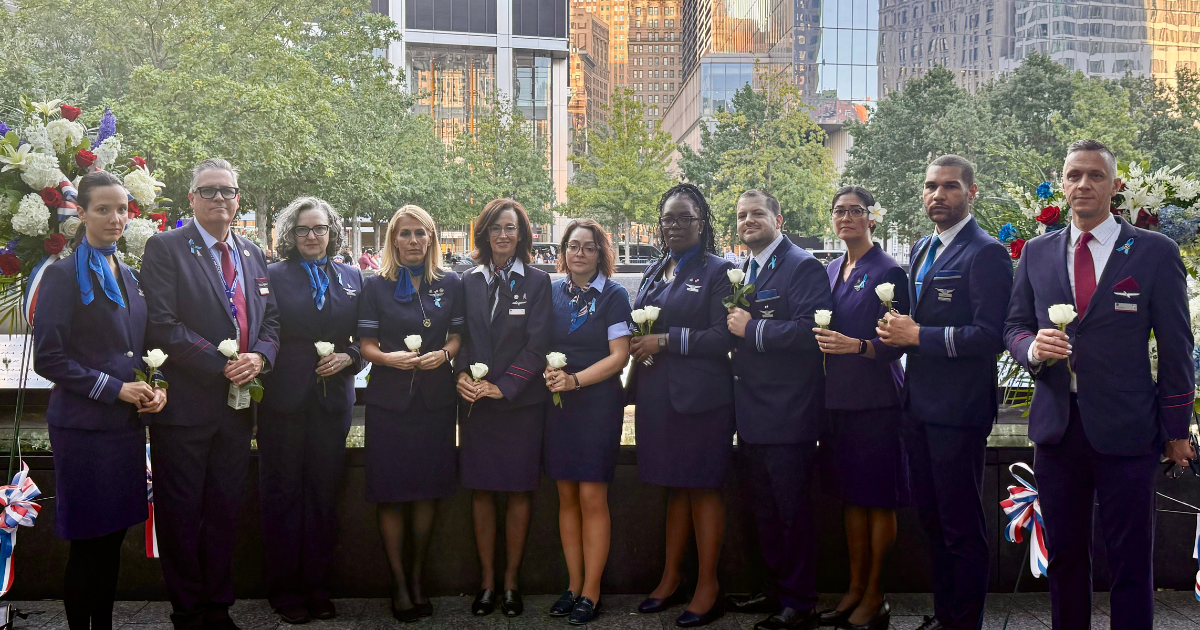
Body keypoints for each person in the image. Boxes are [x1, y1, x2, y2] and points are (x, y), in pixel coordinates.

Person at [1004, 140, 1195, 630]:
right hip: (1057, 429)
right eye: (1074, 175)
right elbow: (1014, 326)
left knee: (1131, 559)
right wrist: (1031, 348)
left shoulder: (1153, 251)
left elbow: (1177, 348)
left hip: (1128, 430)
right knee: (1064, 556)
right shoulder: (1037, 252)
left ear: (1115, 185)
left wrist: (1177, 429)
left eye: (1095, 175)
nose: (1083, 184)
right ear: (1062, 184)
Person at [141, 158, 280, 630]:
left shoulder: (252, 253)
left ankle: (219, 609)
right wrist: (221, 364)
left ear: (238, 198)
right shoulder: (166, 247)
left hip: (237, 410)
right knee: (181, 514)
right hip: (185, 408)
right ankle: (189, 612)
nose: (219, 198)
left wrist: (259, 357)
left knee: (224, 511)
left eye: (228, 191)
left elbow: (271, 321)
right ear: (192, 198)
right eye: (209, 190)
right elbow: (162, 324)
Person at [877, 155, 1012, 630]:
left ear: (971, 193)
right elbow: (916, 322)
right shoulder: (921, 247)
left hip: (960, 410)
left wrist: (918, 336)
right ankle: (945, 614)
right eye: (931, 186)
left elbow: (991, 337)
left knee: (961, 526)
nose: (938, 195)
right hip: (917, 405)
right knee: (932, 521)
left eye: (950, 186)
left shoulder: (987, 252)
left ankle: (964, 622)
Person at [33, 171, 167, 630]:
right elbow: (49, 359)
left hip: (123, 429)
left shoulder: (129, 275)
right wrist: (114, 389)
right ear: (82, 213)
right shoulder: (62, 275)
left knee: (112, 540)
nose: (115, 219)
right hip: (83, 429)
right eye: (103, 209)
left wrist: (157, 386)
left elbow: (141, 348)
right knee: (87, 542)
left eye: (122, 209)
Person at [722, 190, 833, 630]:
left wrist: (752, 330)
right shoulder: (746, 268)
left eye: (757, 214)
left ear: (778, 219)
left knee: (792, 514)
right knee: (764, 512)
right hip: (751, 412)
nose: (748, 221)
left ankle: (800, 602)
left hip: (789, 414)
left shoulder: (802, 266)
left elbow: (811, 333)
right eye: (741, 215)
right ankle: (773, 590)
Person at [630, 183, 735, 628]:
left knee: (703, 488)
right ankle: (671, 578)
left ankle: (708, 586)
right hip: (657, 397)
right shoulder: (655, 268)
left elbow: (723, 336)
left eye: (684, 218)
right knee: (675, 487)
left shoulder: (719, 270)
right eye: (668, 218)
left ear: (701, 222)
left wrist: (665, 341)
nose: (674, 226)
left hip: (701, 401)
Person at [257, 197, 364, 623]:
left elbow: (366, 338)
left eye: (319, 228)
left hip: (332, 402)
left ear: (331, 232)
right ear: (291, 234)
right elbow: (261, 330)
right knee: (281, 495)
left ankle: (319, 588)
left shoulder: (353, 277)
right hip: (283, 400)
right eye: (303, 229)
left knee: (324, 495)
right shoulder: (272, 275)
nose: (312, 236)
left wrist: (350, 357)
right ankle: (285, 591)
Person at [359, 205, 464, 622]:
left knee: (426, 492)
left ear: (432, 238)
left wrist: (444, 354)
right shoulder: (374, 285)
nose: (414, 241)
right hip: (389, 404)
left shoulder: (450, 282)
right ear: (393, 240)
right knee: (390, 493)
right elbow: (366, 345)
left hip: (435, 403)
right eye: (405, 233)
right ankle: (399, 583)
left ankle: (418, 578)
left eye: (421, 233)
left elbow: (457, 336)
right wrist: (388, 359)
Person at [813, 186, 910, 630]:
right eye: (839, 211)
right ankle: (853, 589)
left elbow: (898, 344)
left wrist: (857, 346)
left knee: (877, 500)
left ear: (873, 217)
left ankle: (875, 595)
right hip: (838, 401)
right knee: (850, 498)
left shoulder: (889, 270)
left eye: (856, 210)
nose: (846, 217)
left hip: (877, 401)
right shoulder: (832, 269)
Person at [456, 199, 553, 618]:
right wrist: (461, 373)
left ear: (521, 234)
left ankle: (511, 582)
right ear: (484, 233)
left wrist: (505, 386)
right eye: (495, 227)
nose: (502, 235)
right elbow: (458, 335)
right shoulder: (467, 281)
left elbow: (538, 344)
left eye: (510, 228)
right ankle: (486, 582)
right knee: (480, 490)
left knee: (518, 490)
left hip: (520, 404)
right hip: (477, 404)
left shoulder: (538, 282)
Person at [543, 219, 633, 625]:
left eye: (589, 247)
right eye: (573, 246)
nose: (579, 253)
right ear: (563, 251)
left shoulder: (613, 295)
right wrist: (548, 372)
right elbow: (538, 342)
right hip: (559, 406)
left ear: (601, 253)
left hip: (596, 405)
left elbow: (619, 357)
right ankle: (573, 584)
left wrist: (575, 380)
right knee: (566, 497)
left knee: (592, 497)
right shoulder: (551, 292)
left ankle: (592, 591)